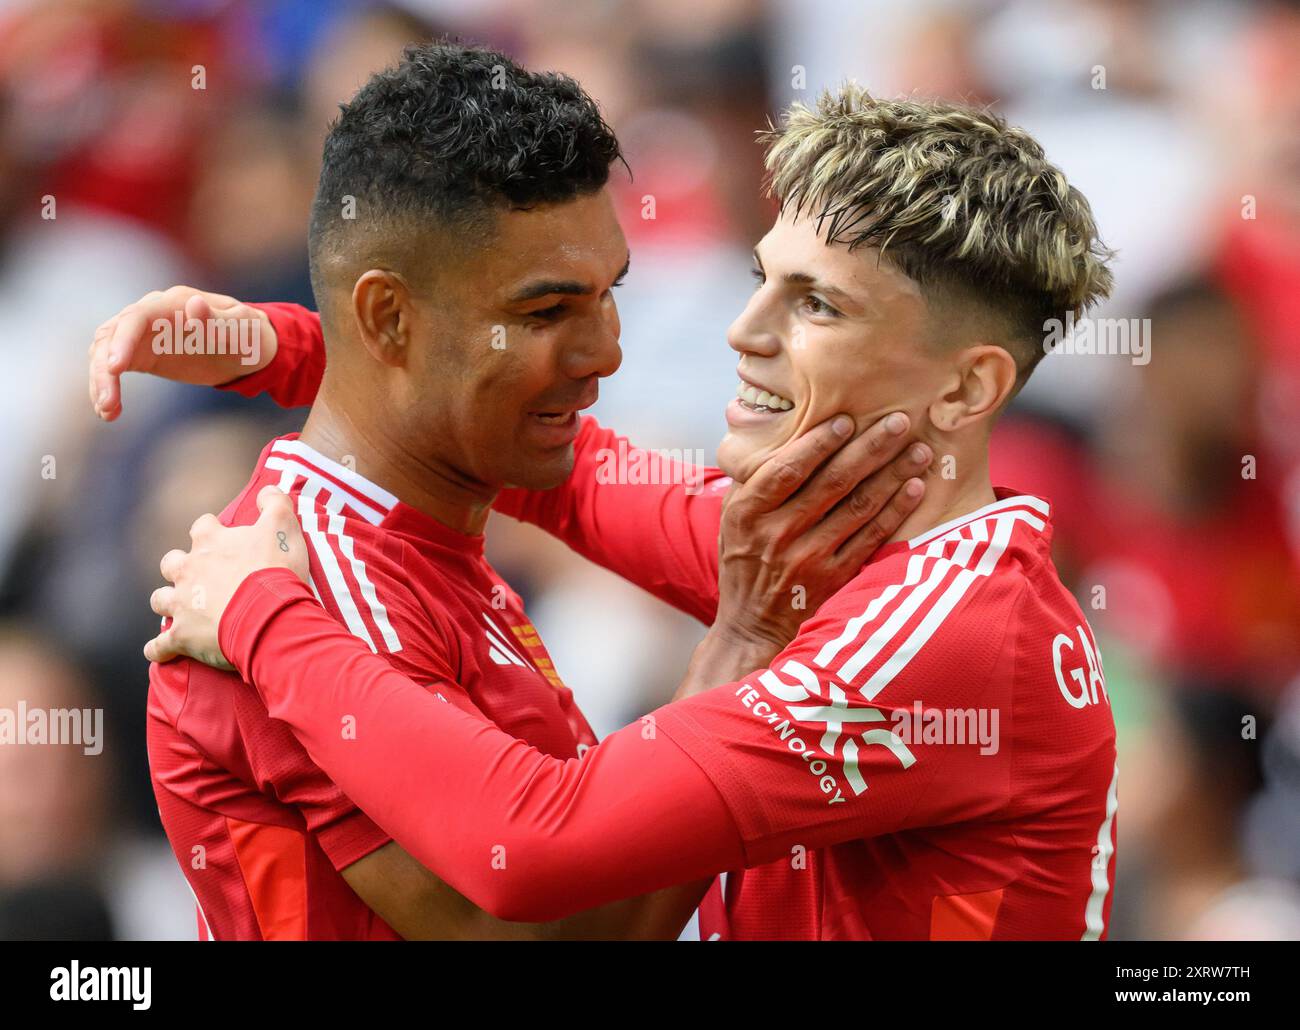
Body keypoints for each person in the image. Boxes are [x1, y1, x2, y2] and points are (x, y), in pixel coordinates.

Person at [139, 84, 1121, 939]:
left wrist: (265, 616)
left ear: (964, 391)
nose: (744, 332)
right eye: (760, 280)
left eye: (816, 306)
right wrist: (305, 348)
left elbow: (531, 843)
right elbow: (561, 467)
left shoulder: (942, 638)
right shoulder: (839, 545)